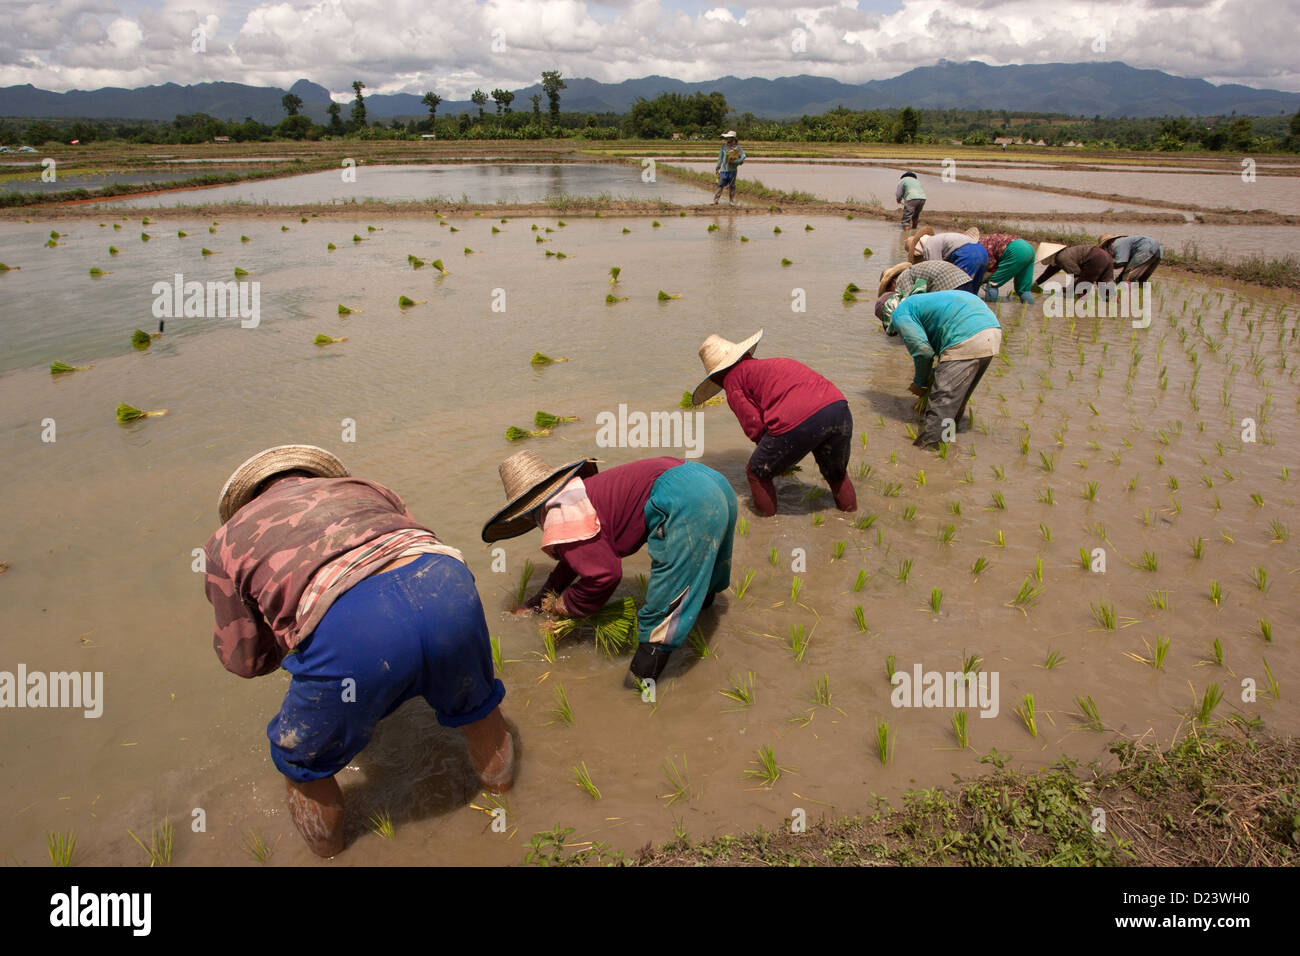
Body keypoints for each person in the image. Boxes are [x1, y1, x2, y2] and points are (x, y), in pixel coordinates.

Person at [202, 445, 513, 858]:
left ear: (246, 502)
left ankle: (330, 856)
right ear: (317, 476)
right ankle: (510, 811)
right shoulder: (366, 488)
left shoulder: (226, 540)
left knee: (301, 762)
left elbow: (243, 660)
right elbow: (409, 546)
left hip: (351, 623)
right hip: (444, 581)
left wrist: (297, 645)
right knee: (478, 709)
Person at [483, 451, 737, 687]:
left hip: (686, 500)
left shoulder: (560, 511)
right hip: (707, 479)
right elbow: (577, 557)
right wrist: (537, 602)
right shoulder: (577, 494)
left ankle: (640, 695)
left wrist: (566, 605)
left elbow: (604, 575)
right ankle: (701, 628)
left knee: (662, 617)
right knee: (703, 576)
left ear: (527, 513)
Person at [692, 329, 857, 517]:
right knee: (837, 474)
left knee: (756, 472)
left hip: (800, 418)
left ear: (716, 376)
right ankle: (851, 520)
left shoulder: (732, 381)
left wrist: (770, 459)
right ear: (745, 354)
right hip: (838, 407)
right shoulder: (772, 364)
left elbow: (754, 425)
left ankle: (767, 530)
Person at [878, 290, 1002, 448]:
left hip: (965, 337)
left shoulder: (900, 313)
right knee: (955, 400)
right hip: (991, 332)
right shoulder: (918, 302)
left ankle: (931, 448)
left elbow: (923, 352)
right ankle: (948, 443)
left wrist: (920, 383)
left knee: (943, 402)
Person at [905, 227, 988, 294]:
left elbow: (937, 271)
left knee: (958, 289)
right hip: (982, 252)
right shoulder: (939, 240)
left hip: (967, 255)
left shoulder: (929, 246)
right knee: (972, 292)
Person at [977, 233, 1039, 304]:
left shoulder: (982, 246)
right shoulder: (988, 239)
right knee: (1024, 289)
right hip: (1029, 248)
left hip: (1015, 251)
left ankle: (991, 309)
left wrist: (981, 281)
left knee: (992, 283)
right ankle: (1029, 311)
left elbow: (991, 267)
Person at [1034, 242, 1114, 297]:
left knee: (1080, 288)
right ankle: (1116, 305)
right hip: (1106, 256)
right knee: (1107, 289)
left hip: (1095, 258)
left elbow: (1077, 274)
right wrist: (1036, 283)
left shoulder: (1061, 258)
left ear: (1049, 256)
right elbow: (1048, 273)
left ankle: (1081, 311)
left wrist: (1070, 290)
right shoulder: (1061, 256)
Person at [714, 131, 746, 205]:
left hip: (733, 169)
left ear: (732, 138)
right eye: (726, 137)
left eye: (728, 137)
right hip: (724, 169)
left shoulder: (737, 147)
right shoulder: (723, 146)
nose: (727, 139)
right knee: (720, 184)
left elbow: (743, 156)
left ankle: (731, 201)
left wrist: (736, 161)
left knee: (732, 185)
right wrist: (717, 167)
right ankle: (716, 200)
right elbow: (720, 158)